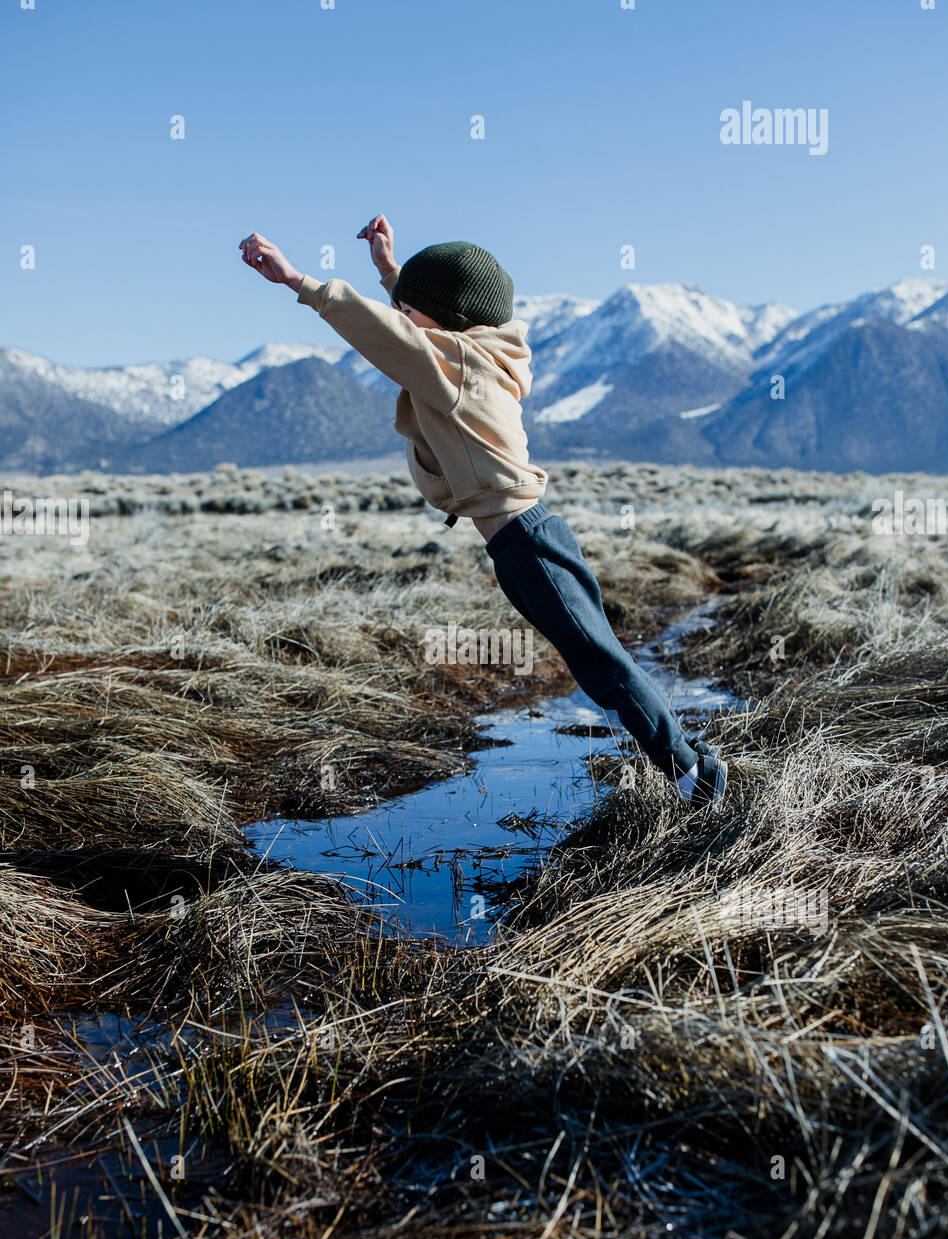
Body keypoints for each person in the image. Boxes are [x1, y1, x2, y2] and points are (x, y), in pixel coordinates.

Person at [239, 219, 727, 805]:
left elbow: (388, 334)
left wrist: (300, 281)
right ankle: (692, 766)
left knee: (602, 666)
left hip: (530, 545)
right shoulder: (471, 350)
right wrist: (388, 269)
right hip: (524, 541)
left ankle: (695, 780)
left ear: (444, 320)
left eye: (411, 307)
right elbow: (420, 321)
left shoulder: (458, 367)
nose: (403, 315)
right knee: (598, 661)